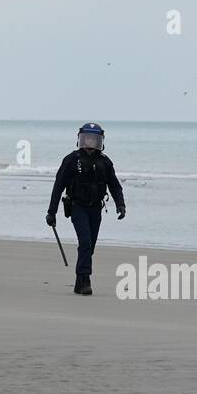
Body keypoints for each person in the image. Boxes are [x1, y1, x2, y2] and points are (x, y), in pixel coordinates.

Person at [47, 123, 126, 295]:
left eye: (93, 139)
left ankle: (78, 280)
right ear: (81, 139)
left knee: (90, 246)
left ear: (100, 141)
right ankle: (85, 279)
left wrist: (121, 204)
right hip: (77, 207)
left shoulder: (105, 162)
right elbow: (58, 186)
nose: (90, 142)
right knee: (85, 242)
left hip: (96, 208)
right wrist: (51, 212)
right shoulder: (71, 160)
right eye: (87, 138)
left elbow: (114, 185)